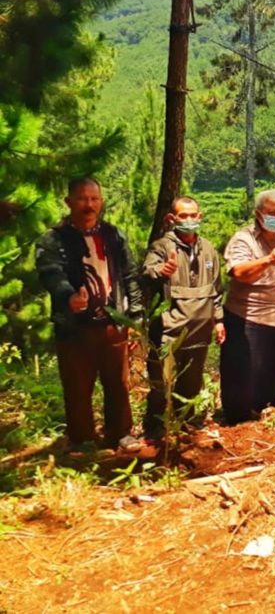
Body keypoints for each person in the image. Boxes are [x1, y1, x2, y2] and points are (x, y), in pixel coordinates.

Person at [35, 177, 143, 450]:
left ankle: (120, 434)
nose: (89, 204)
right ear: (69, 201)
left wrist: (136, 316)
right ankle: (82, 439)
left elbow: (129, 275)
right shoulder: (53, 239)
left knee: (118, 384)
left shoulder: (113, 235)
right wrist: (67, 297)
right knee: (77, 386)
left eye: (94, 199)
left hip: (112, 323)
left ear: (101, 202)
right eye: (82, 199)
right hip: (74, 328)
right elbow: (50, 273)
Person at [140, 196, 225, 439]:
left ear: (200, 217)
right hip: (169, 330)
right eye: (183, 216)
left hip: (200, 329)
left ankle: (185, 423)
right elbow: (147, 271)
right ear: (171, 219)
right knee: (161, 384)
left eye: (193, 215)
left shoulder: (208, 249)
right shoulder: (162, 247)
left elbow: (216, 290)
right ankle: (156, 429)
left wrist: (218, 321)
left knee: (192, 381)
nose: (189, 220)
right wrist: (161, 271)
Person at [221, 189, 275, 425]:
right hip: (251, 318)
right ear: (258, 214)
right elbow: (238, 272)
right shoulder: (243, 239)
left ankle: (265, 413)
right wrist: (267, 260)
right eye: (271, 212)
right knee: (243, 373)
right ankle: (237, 422)